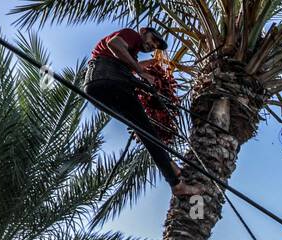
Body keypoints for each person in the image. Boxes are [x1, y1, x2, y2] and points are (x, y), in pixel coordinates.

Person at [84, 26, 199, 196]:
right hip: (109, 80)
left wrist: (151, 66)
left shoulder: (130, 54)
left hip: (98, 88)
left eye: (157, 46)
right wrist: (141, 72)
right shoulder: (132, 35)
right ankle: (176, 184)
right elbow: (114, 44)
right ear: (144, 31)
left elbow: (127, 63)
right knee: (147, 132)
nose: (153, 45)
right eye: (154, 39)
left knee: (145, 130)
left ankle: (171, 168)